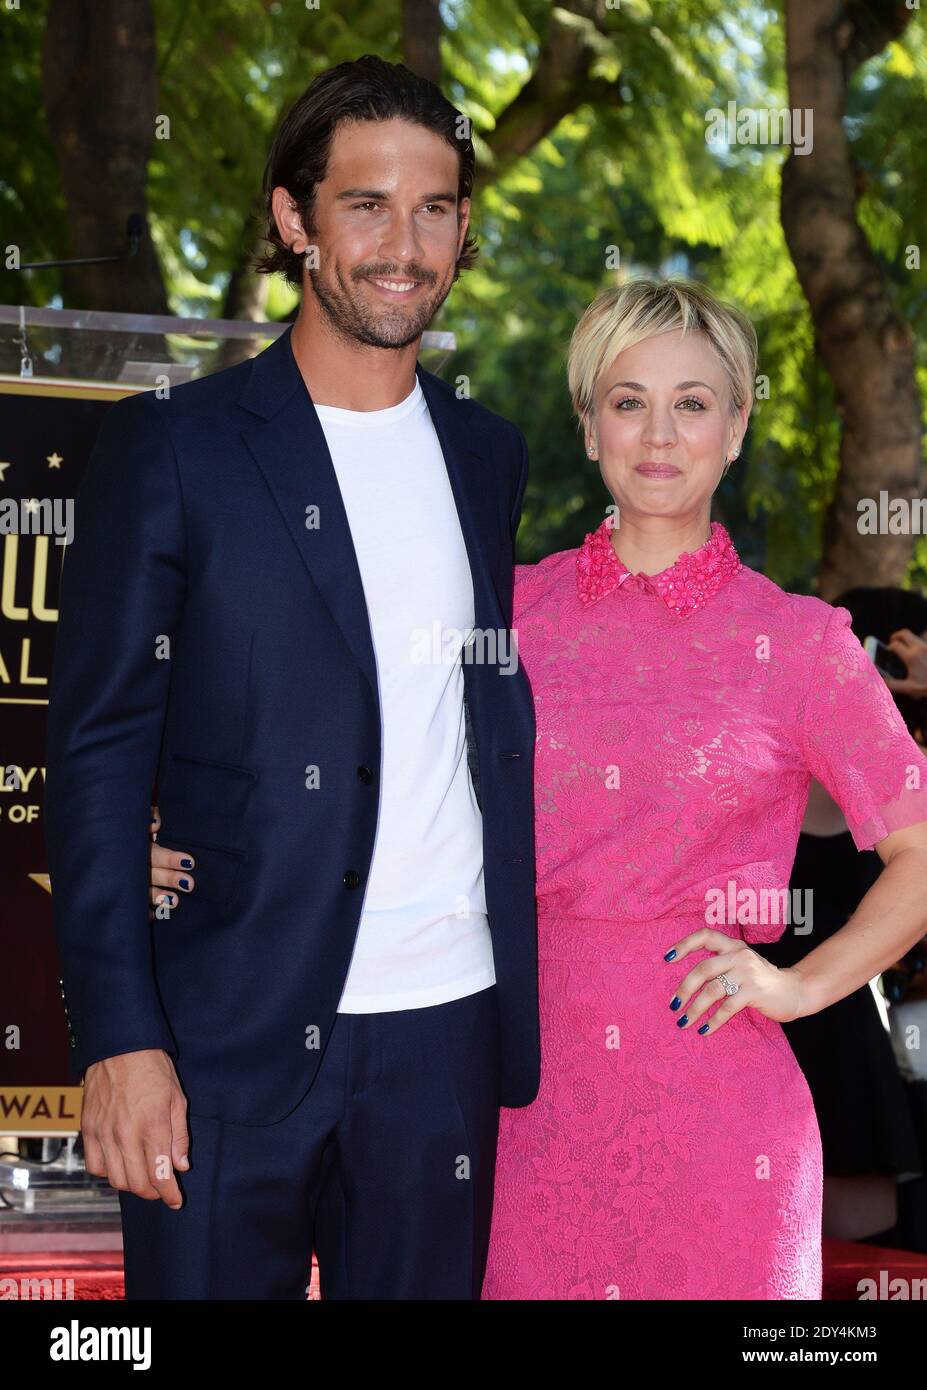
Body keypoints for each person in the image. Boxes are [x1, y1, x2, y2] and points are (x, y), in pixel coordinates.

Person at [45, 56, 539, 1301]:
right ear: (292, 218)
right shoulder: (171, 445)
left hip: (445, 1030)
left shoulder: (488, 456)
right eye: (366, 203)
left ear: (465, 228)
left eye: (435, 210)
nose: (404, 244)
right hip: (221, 1035)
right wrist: (118, 1038)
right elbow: (98, 752)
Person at [477, 277, 927, 1299]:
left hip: (721, 1115)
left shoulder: (804, 643)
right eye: (628, 400)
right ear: (589, 426)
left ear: (737, 423)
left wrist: (802, 985)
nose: (659, 434)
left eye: (693, 401)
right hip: (520, 1101)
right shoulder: (508, 617)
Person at [758, 588, 927, 1244]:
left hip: (860, 1064)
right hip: (773, 1049)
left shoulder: (901, 786)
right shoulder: (790, 760)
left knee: (859, 1270)